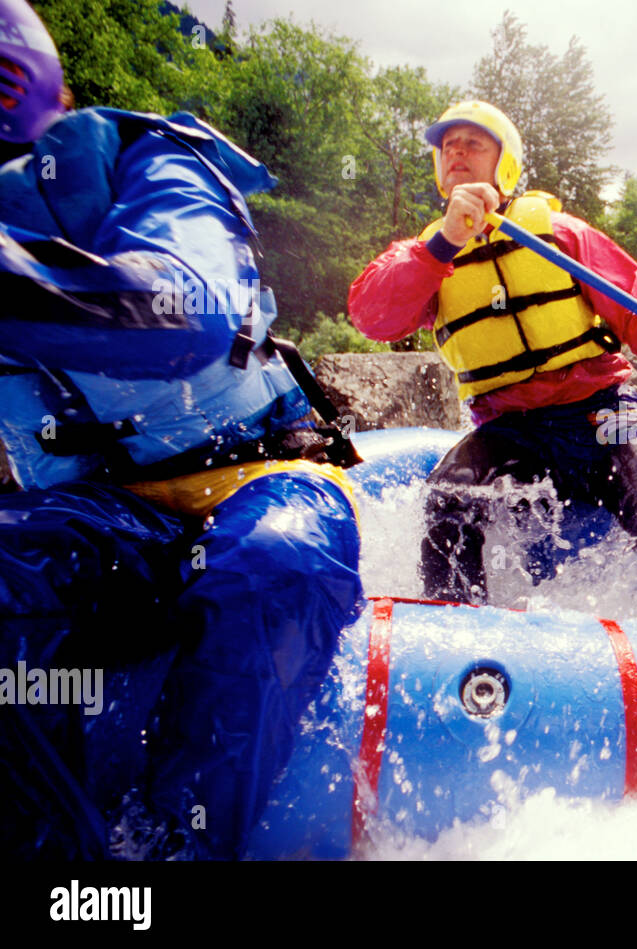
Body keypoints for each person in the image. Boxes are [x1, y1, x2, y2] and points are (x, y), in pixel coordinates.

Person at [0, 0, 363, 859]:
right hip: (102, 513)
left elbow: (181, 313)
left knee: (271, 563)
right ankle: (62, 871)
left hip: (265, 476)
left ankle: (180, 855)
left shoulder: (151, 157)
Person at [349, 100, 637, 608]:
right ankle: (453, 621)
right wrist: (445, 244)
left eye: (473, 143)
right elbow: (373, 318)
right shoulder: (427, 253)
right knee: (447, 495)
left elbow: (636, 310)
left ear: (504, 163)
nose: (456, 151)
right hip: (509, 430)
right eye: (448, 145)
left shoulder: (560, 232)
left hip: (603, 412)